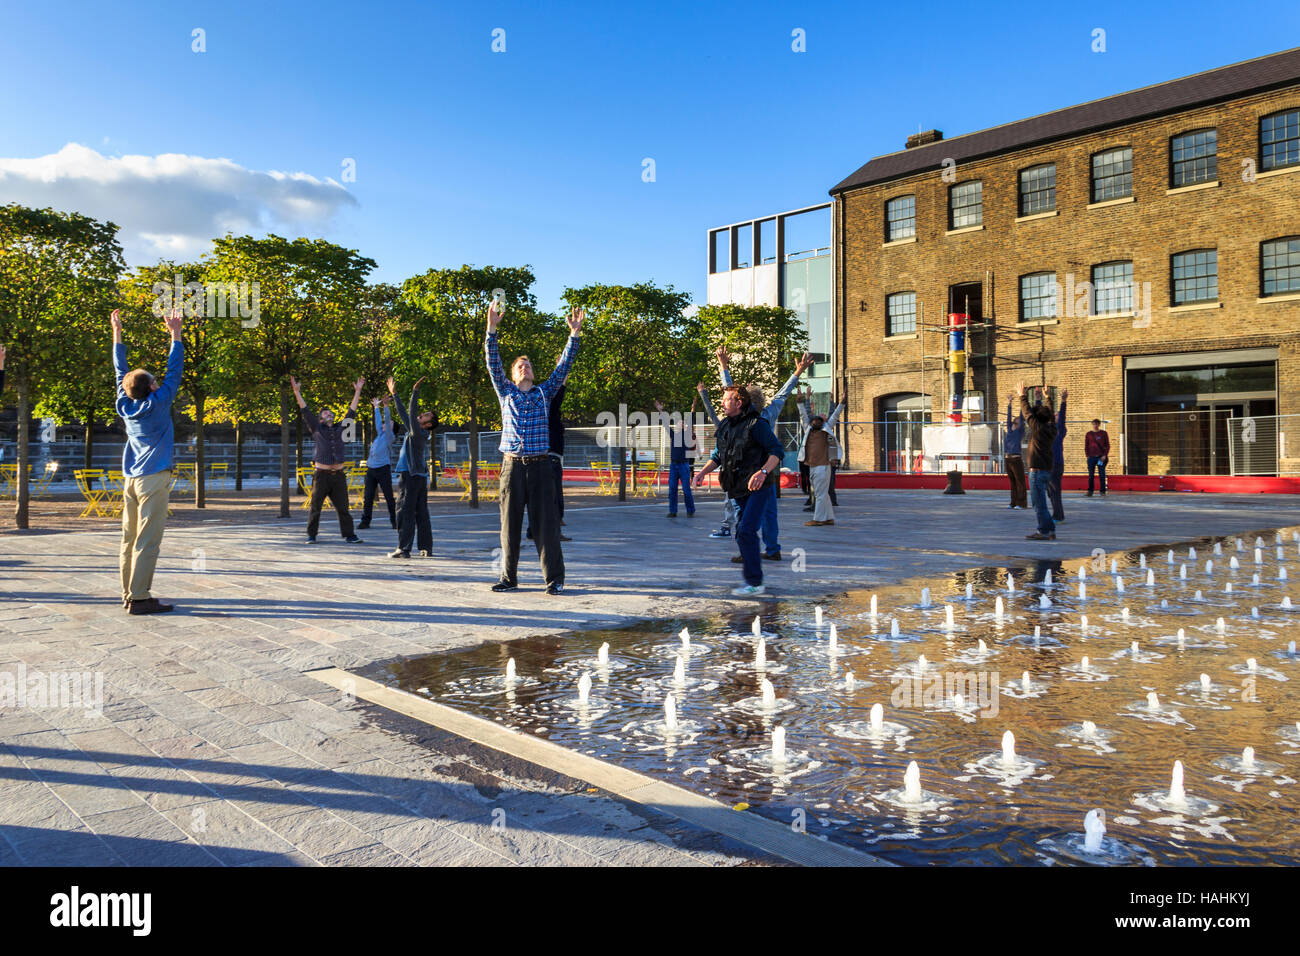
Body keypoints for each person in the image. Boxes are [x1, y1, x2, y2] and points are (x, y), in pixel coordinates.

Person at [486, 302, 582, 594]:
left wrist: (573, 335)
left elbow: (564, 366)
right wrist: (491, 329)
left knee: (546, 526)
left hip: (541, 467)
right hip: (512, 466)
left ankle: (554, 579)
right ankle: (508, 578)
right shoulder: (506, 392)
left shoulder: (544, 392)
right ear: (514, 375)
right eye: (519, 365)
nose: (524, 367)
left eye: (527, 364)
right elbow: (492, 362)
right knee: (509, 526)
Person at [112, 307, 183, 614]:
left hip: (130, 479)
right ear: (153, 387)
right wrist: (175, 334)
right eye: (155, 380)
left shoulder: (124, 404)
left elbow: (120, 372)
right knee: (148, 540)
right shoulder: (159, 402)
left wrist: (117, 334)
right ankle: (140, 598)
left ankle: (129, 592)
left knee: (128, 539)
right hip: (154, 478)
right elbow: (175, 369)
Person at [718, 346, 813, 560]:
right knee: (769, 512)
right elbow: (782, 394)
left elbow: (729, 390)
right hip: (767, 471)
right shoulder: (768, 414)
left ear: (744, 402)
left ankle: (746, 549)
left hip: (747, 472)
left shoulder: (747, 420)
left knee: (743, 511)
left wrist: (724, 366)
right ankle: (773, 549)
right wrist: (797, 372)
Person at [694, 385, 785, 596]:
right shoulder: (726, 425)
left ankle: (755, 582)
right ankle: (754, 580)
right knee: (743, 534)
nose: (722, 403)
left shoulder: (757, 425)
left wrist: (762, 472)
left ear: (739, 402)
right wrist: (701, 472)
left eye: (726, 400)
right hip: (737, 487)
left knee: (746, 530)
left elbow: (777, 451)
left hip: (758, 487)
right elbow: (718, 456)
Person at [291, 374, 364, 545]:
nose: (329, 413)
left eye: (330, 412)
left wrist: (358, 391)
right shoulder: (317, 428)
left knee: (344, 508)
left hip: (338, 475)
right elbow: (305, 410)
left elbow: (352, 411)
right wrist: (297, 392)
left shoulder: (342, 428)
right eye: (325, 412)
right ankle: (312, 535)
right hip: (321, 474)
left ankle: (349, 535)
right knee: (316, 507)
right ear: (321, 418)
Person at [388, 375, 435, 558]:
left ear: (428, 424)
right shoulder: (417, 432)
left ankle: (403, 548)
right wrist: (395, 395)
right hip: (419, 477)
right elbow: (403, 414)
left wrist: (414, 392)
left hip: (411, 476)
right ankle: (426, 548)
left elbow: (409, 411)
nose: (420, 415)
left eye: (424, 416)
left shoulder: (418, 434)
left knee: (405, 511)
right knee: (421, 512)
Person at [527, 383, 571, 542]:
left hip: (549, 458)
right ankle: (554, 531)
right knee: (554, 498)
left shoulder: (544, 414)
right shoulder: (549, 412)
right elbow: (558, 397)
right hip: (551, 459)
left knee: (543, 498)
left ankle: (532, 530)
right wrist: (563, 377)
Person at [696, 382, 737, 539]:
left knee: (739, 505)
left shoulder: (749, 424)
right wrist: (702, 473)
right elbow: (716, 457)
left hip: (744, 474)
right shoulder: (723, 429)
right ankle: (728, 527)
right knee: (730, 501)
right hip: (730, 474)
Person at [1018, 381, 1058, 541]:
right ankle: (1050, 529)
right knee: (1041, 502)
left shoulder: (1039, 429)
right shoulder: (1052, 429)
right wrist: (1047, 398)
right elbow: (1047, 414)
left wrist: (1022, 396)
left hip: (1037, 472)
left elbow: (1027, 414)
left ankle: (1044, 531)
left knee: (1038, 504)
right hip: (1046, 471)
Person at [799, 392, 844, 526]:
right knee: (823, 493)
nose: (815, 422)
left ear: (823, 422)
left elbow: (835, 414)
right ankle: (829, 517)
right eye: (813, 421)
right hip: (812, 465)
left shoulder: (827, 429)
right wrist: (802, 401)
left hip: (823, 466)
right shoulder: (808, 430)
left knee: (819, 494)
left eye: (818, 421)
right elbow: (804, 414)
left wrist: (842, 403)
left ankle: (818, 519)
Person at [358, 395, 397, 530]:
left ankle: (394, 520)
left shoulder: (389, 437)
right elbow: (378, 422)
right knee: (368, 496)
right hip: (371, 469)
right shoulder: (380, 434)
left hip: (383, 469)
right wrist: (376, 408)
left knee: (388, 496)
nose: (386, 423)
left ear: (392, 428)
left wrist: (386, 407)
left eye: (390, 423)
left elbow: (385, 419)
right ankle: (365, 521)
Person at [657, 395, 697, 518]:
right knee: (672, 490)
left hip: (684, 465)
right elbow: (665, 424)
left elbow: (691, 420)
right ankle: (673, 511)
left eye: (683, 423)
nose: (681, 424)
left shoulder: (687, 435)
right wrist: (660, 411)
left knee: (686, 490)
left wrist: (693, 407)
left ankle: (690, 510)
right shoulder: (673, 435)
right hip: (674, 465)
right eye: (680, 423)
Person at [1004, 394, 1027, 509]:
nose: (1016, 420)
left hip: (1016, 458)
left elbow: (1021, 416)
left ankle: (1021, 503)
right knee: (1012, 481)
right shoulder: (1009, 428)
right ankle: (1013, 502)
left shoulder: (1020, 431)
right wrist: (1009, 403)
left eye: (1018, 421)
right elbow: (1008, 417)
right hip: (1007, 458)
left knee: (1019, 482)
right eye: (1015, 420)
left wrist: (1021, 399)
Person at [1049, 389, 1068, 522]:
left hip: (1056, 464)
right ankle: (1058, 514)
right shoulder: (1050, 430)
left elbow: (1062, 419)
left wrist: (1063, 402)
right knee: (1051, 492)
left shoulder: (1060, 430)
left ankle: (1058, 516)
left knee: (1055, 492)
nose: (1055, 416)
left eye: (1056, 415)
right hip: (1049, 463)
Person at [1085, 418, 1110, 496]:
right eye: (1094, 424)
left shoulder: (1103, 433)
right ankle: (1090, 491)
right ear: (1092, 425)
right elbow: (1086, 445)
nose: (1095, 426)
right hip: (1091, 457)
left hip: (1100, 457)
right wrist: (1087, 455)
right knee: (1091, 475)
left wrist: (1104, 455)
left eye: (1097, 424)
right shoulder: (1088, 434)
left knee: (1102, 474)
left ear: (1099, 425)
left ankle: (1102, 491)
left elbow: (1107, 445)